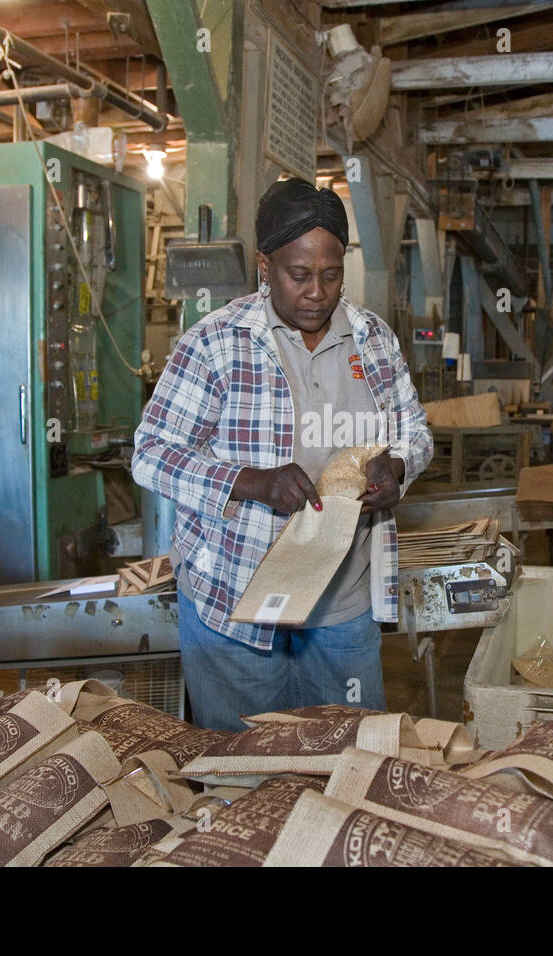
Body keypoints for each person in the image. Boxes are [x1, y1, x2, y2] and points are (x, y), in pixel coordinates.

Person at [132, 178, 432, 730]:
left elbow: (415, 431)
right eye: (299, 275)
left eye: (332, 274)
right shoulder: (216, 344)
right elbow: (150, 454)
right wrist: (249, 482)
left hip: (342, 611)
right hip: (239, 603)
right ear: (266, 267)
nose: (317, 291)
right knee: (241, 771)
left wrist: (398, 467)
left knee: (346, 760)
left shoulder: (375, 341)